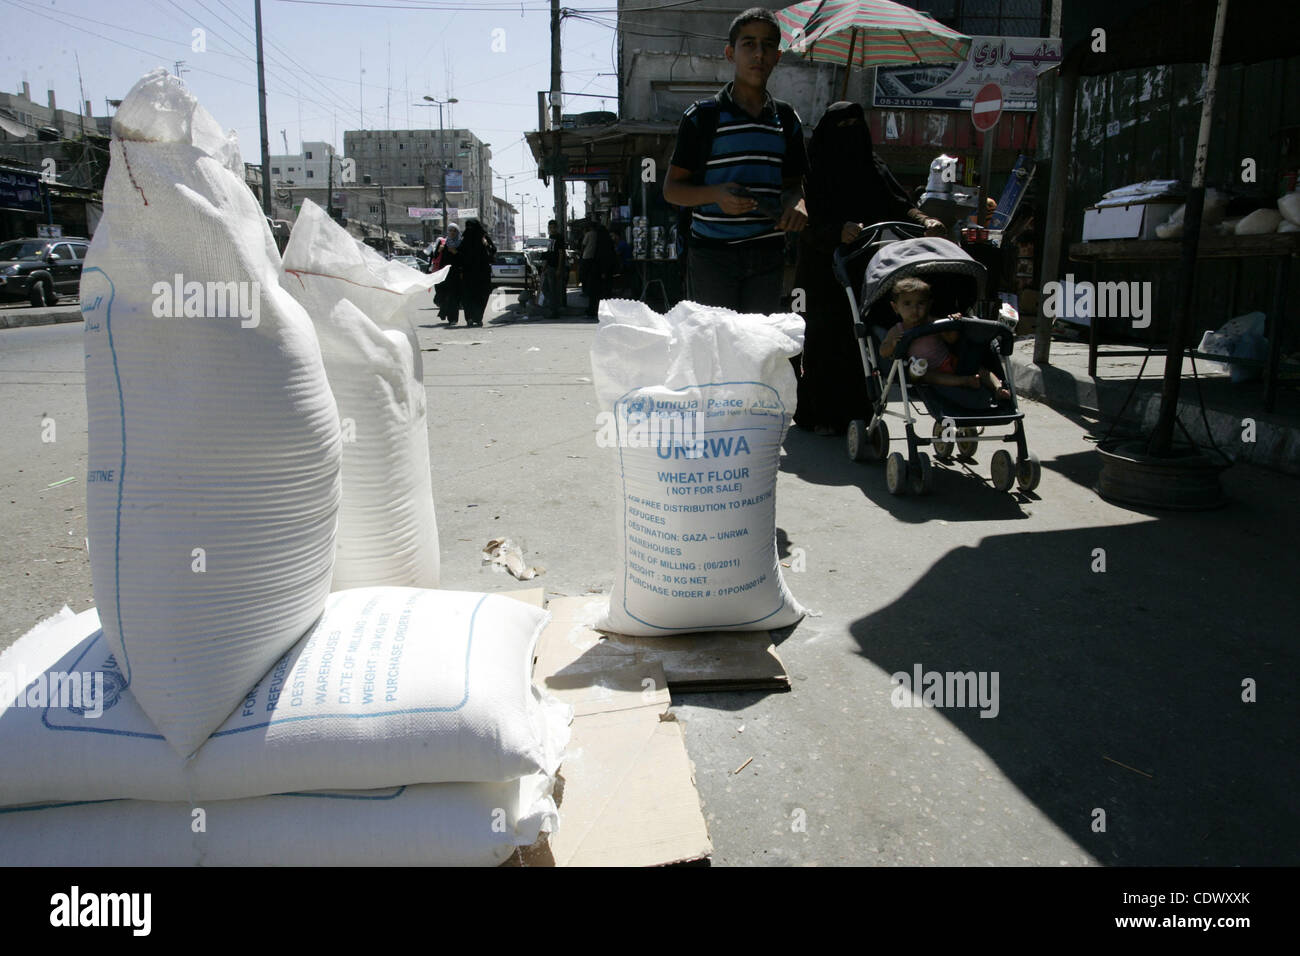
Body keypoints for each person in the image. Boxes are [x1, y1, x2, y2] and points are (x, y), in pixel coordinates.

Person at [793, 101, 945, 436]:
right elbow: (804, 223)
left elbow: (900, 205)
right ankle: (818, 413)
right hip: (821, 272)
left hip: (863, 269)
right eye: (841, 128)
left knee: (858, 341)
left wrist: (925, 220)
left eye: (854, 126)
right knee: (823, 339)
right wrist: (835, 231)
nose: (849, 136)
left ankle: (857, 413)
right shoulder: (811, 171)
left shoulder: (872, 167)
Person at [662, 7, 808, 314]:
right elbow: (672, 190)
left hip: (768, 255)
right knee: (716, 350)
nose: (759, 54)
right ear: (731, 53)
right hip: (712, 257)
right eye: (749, 44)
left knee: (756, 352)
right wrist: (716, 194)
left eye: (768, 45)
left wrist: (797, 204)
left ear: (778, 56)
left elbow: (794, 185)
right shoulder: (702, 117)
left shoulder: (787, 118)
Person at [878, 277, 1009, 400]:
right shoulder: (897, 330)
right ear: (895, 307)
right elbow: (883, 351)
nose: (914, 309)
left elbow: (952, 339)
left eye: (920, 303)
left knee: (980, 369)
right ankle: (964, 381)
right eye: (907, 304)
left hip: (949, 362)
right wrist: (893, 344)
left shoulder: (933, 323)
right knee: (926, 377)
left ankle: (998, 387)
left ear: (929, 305)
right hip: (925, 370)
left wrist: (952, 324)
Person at [455, 218, 496, 328]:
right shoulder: (466, 239)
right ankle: (471, 318)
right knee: (470, 295)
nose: (470, 230)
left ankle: (476, 318)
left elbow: (493, 251)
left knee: (479, 295)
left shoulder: (483, 238)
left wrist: (486, 244)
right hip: (472, 273)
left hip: (479, 273)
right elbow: (459, 255)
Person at [433, 223, 463, 325]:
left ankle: (453, 319)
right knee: (443, 295)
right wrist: (439, 250)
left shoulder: (461, 243)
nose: (452, 232)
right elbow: (434, 256)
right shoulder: (443, 242)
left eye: (454, 231)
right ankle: (444, 311)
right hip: (443, 273)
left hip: (455, 273)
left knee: (454, 296)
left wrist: (455, 252)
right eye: (450, 230)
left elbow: (464, 257)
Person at [580, 224, 599, 314]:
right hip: (594, 258)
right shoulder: (598, 234)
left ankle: (585, 290)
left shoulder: (588, 234)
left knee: (584, 276)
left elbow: (583, 245)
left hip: (586, 256)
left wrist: (581, 253)